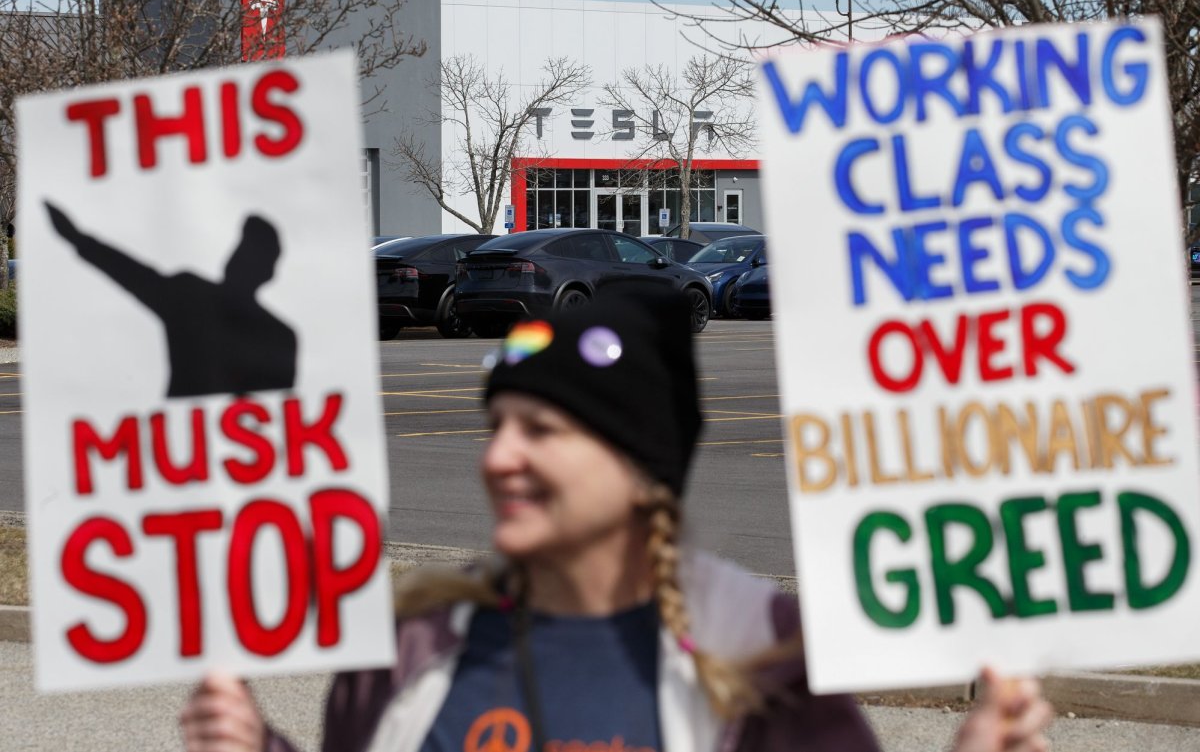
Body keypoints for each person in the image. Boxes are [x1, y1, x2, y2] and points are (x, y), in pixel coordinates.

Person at [180, 287, 1053, 752]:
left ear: (641, 473)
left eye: (541, 431)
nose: (498, 457)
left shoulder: (759, 646)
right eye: (495, 428)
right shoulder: (413, 644)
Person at [47, 201, 297, 397]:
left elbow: (135, 275)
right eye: (240, 248)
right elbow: (134, 274)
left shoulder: (192, 297)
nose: (238, 257)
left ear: (268, 272)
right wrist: (78, 239)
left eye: (247, 252)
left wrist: (78, 239)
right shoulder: (191, 294)